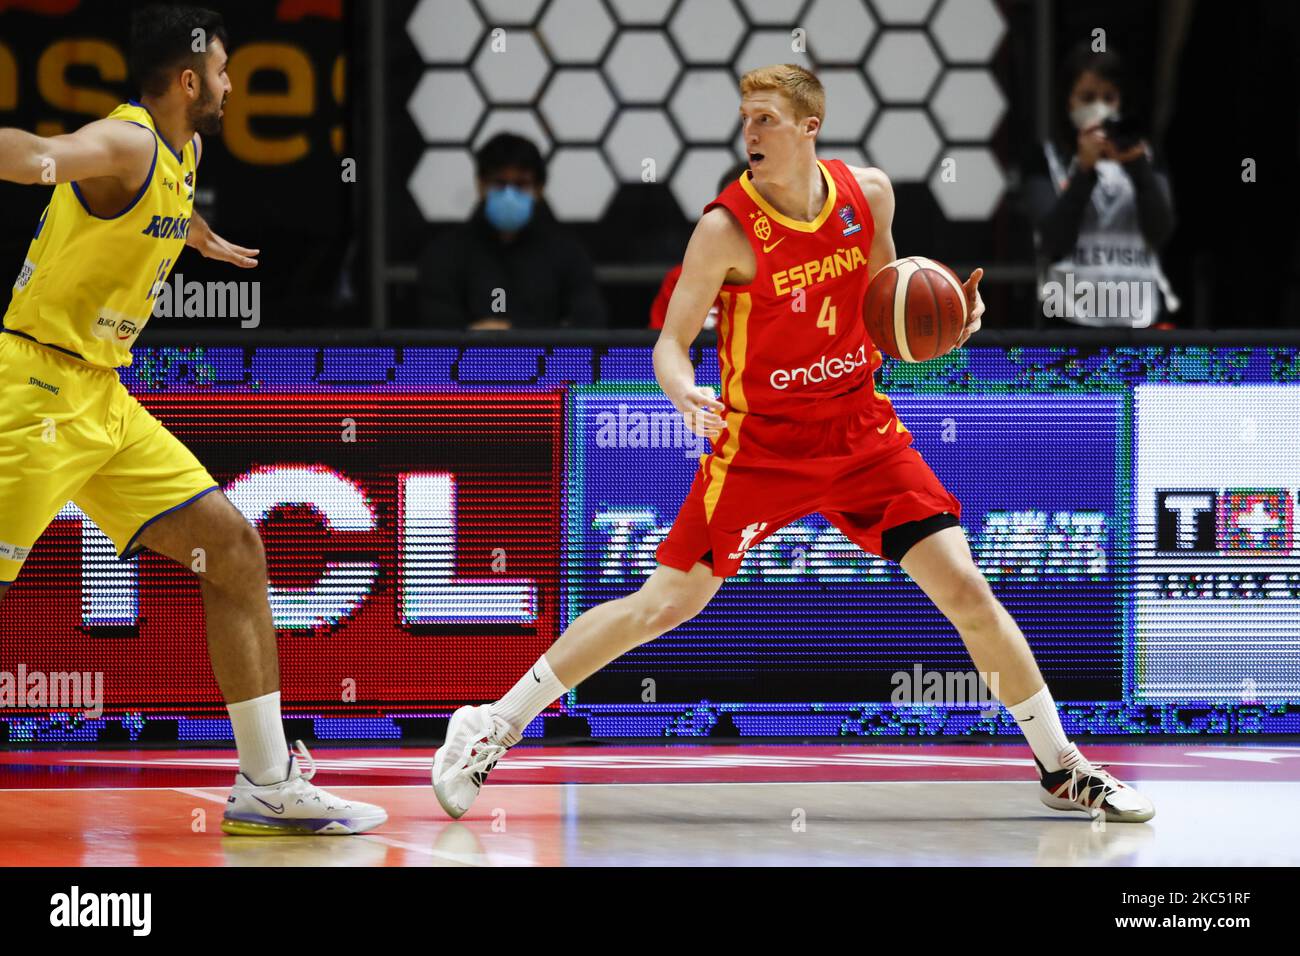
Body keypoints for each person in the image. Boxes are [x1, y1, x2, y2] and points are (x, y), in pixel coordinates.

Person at [432, 65, 1155, 824]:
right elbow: (670, 344)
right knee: (663, 605)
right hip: (761, 448)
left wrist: (949, 328)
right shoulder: (725, 230)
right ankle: (490, 725)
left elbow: (887, 315)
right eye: (746, 118)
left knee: (966, 589)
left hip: (858, 432)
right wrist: (682, 390)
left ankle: (1062, 766)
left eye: (767, 118)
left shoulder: (868, 196)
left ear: (811, 126)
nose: (751, 132)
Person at [0, 5, 385, 835]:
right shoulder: (126, 140)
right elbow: (39, 156)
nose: (231, 84)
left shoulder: (183, 156)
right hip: (33, 392)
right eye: (222, 71)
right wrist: (34, 158)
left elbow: (153, 210)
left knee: (237, 553)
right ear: (188, 78)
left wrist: (195, 232)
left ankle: (265, 781)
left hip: (103, 398)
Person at [1024, 43, 1178, 328]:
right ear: (1068, 101)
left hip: (1138, 325)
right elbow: (1053, 240)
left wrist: (1137, 169)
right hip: (1069, 325)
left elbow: (1161, 230)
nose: (1100, 107)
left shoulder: (1146, 156)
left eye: (1109, 97)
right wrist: (1084, 171)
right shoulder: (1046, 159)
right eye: (1088, 97)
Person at [417, 133, 606, 330]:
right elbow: (435, 329)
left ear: (539, 189)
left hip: (544, 360)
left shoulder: (567, 252)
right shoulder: (446, 253)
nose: (509, 194)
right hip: (470, 360)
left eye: (521, 184)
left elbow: (589, 323)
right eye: (499, 183)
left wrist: (515, 333)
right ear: (481, 185)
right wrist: (472, 338)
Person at [649, 161, 751, 331]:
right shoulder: (682, 280)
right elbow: (659, 350)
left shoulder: (794, 279)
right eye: (730, 209)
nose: (740, 219)